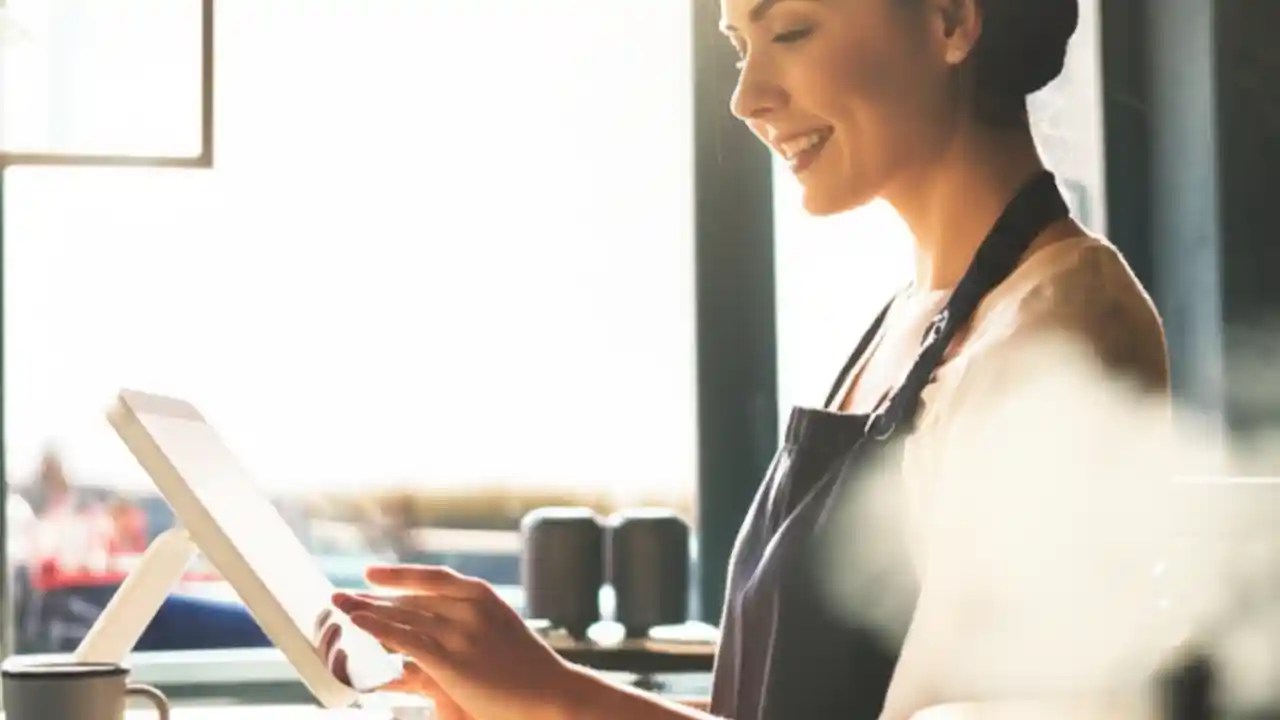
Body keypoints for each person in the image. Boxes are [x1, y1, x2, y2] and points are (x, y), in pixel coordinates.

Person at [318, 0, 1171, 718]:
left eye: (791, 32)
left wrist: (549, 691)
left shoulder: (1059, 337)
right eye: (738, 47)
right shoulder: (916, 320)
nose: (745, 96)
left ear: (950, 20)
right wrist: (528, 696)